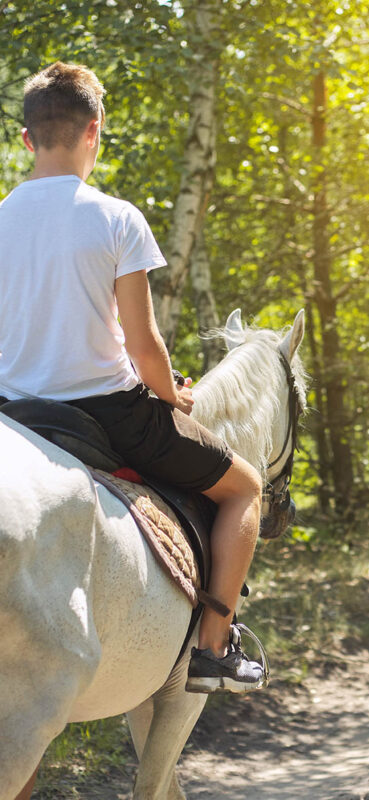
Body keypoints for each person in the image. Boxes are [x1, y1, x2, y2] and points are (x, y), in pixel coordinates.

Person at [0, 62, 265, 692]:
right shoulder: (116, 218)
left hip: (13, 415)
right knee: (245, 489)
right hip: (111, 413)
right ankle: (214, 647)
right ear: (95, 130)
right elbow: (144, 344)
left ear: (28, 138)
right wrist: (174, 394)